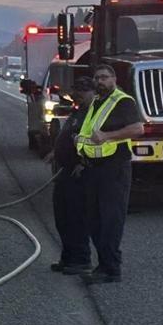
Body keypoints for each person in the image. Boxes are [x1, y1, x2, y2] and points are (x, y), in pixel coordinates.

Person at [75, 63, 145, 284]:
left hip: (114, 168)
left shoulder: (123, 101)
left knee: (110, 220)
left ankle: (111, 268)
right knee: (94, 219)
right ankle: (102, 265)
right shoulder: (96, 102)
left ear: (114, 79)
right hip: (93, 168)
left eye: (104, 77)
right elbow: (90, 132)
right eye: (97, 78)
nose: (100, 81)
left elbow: (137, 129)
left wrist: (108, 136)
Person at [48, 75, 95, 274]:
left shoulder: (95, 114)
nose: (79, 95)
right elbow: (69, 135)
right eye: (77, 91)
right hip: (64, 171)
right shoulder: (78, 111)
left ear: (93, 92)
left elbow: (97, 142)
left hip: (79, 174)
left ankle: (81, 260)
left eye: (84, 91)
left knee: (76, 218)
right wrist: (55, 151)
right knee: (62, 217)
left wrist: (85, 162)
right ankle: (68, 257)